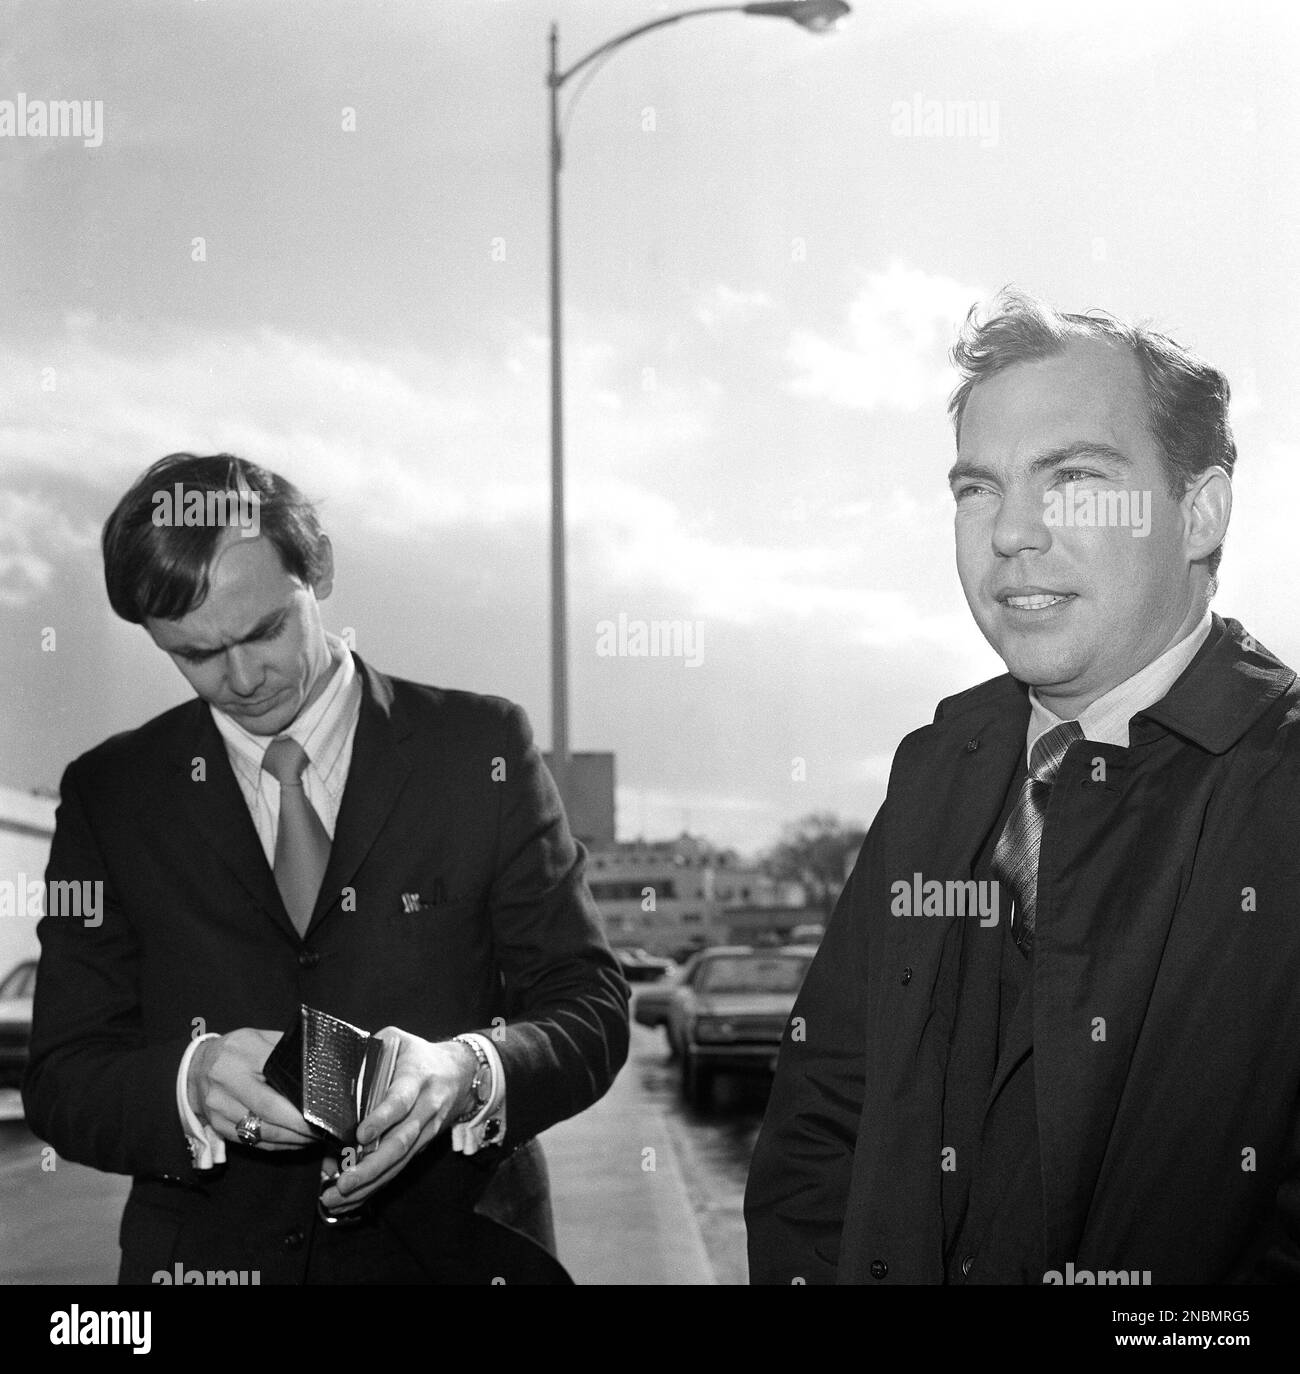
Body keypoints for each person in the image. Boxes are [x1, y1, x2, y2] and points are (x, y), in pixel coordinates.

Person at [745, 289, 1300, 1285]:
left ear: (1199, 511)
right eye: (977, 489)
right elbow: (825, 1108)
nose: (1011, 534)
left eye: (1073, 480)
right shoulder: (938, 768)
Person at [23, 452, 629, 1285]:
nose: (241, 679)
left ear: (322, 572)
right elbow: (61, 1078)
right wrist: (191, 1083)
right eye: (194, 655)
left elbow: (590, 1007)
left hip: (456, 1258)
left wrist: (463, 1073)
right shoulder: (109, 795)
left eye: (265, 631)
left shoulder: (480, 751)